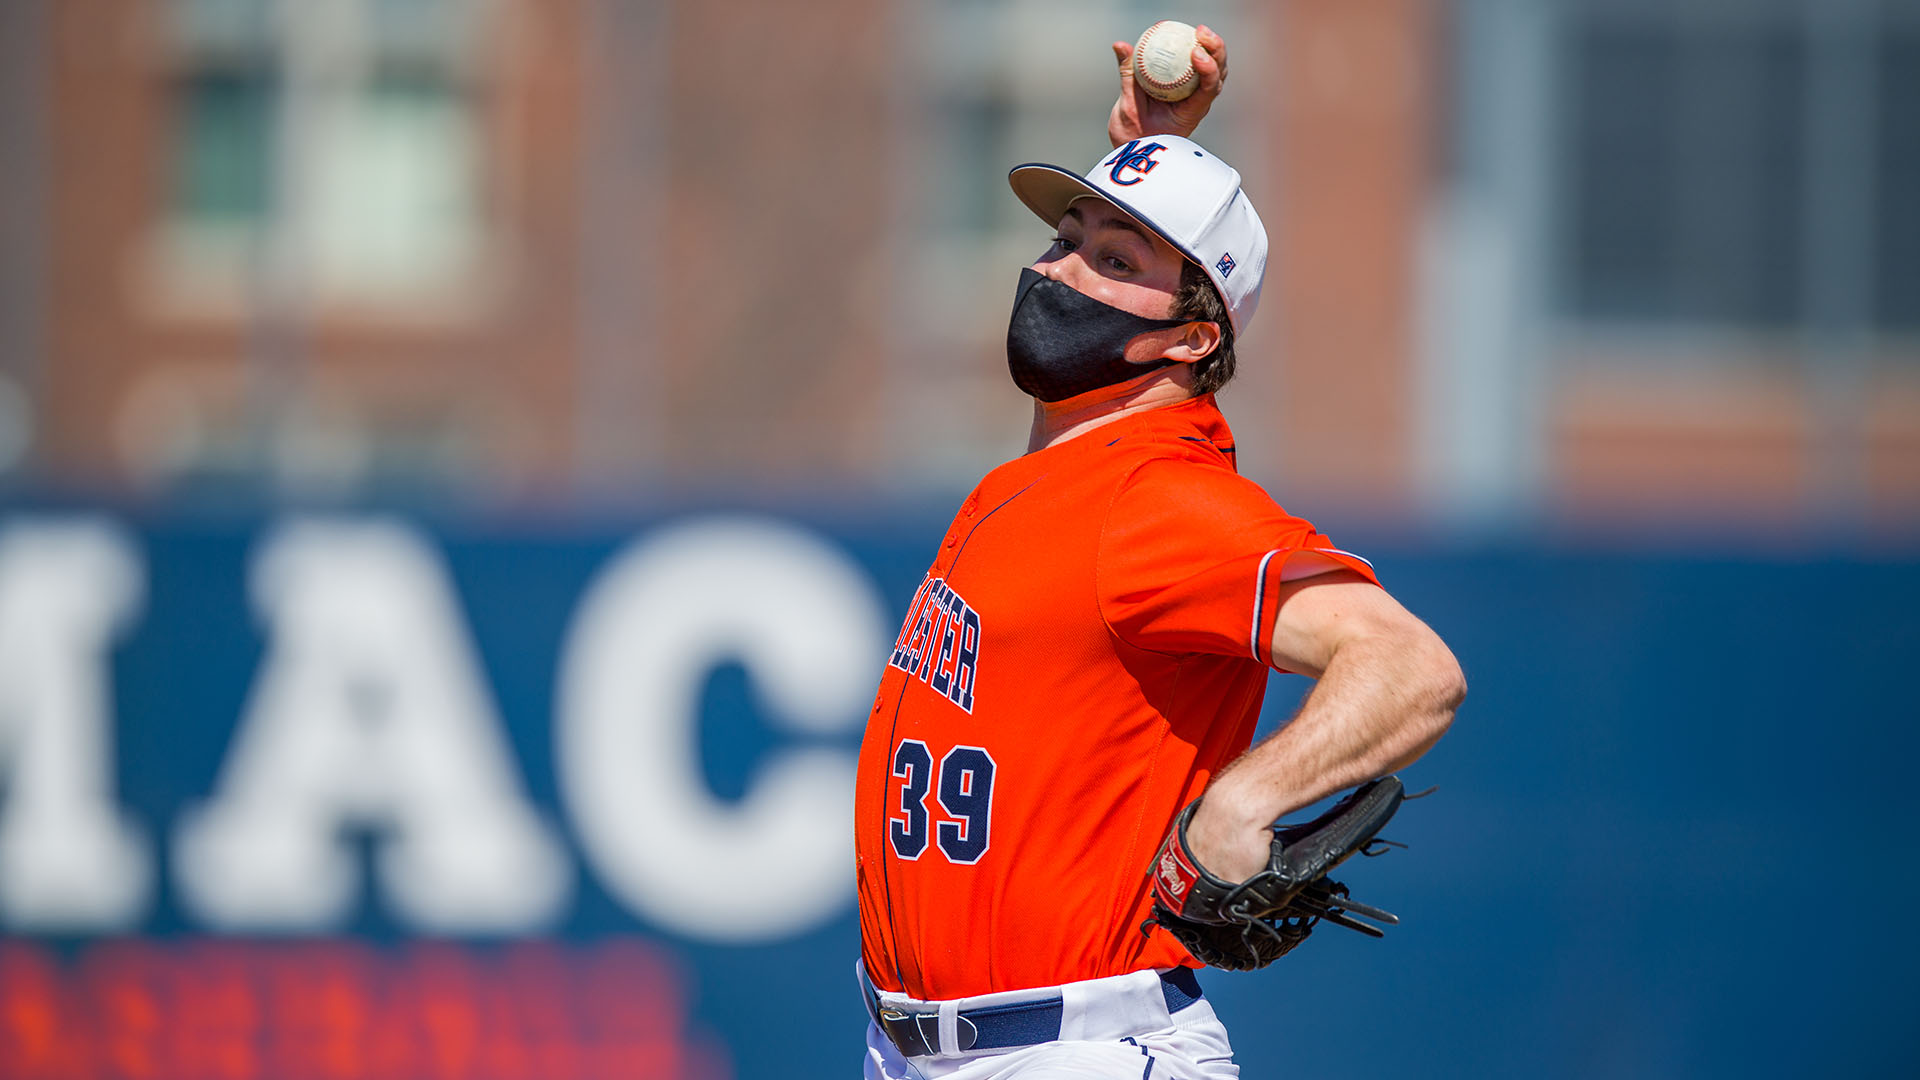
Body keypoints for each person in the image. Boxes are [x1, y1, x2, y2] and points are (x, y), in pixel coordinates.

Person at [853, 26, 1465, 1079]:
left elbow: (1411, 667)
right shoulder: (1051, 478)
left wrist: (1246, 798)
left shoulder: (1160, 501)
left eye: (1114, 260)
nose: (1060, 271)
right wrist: (1150, 155)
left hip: (1077, 1049)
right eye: (1069, 237)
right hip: (918, 1048)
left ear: (1191, 339)